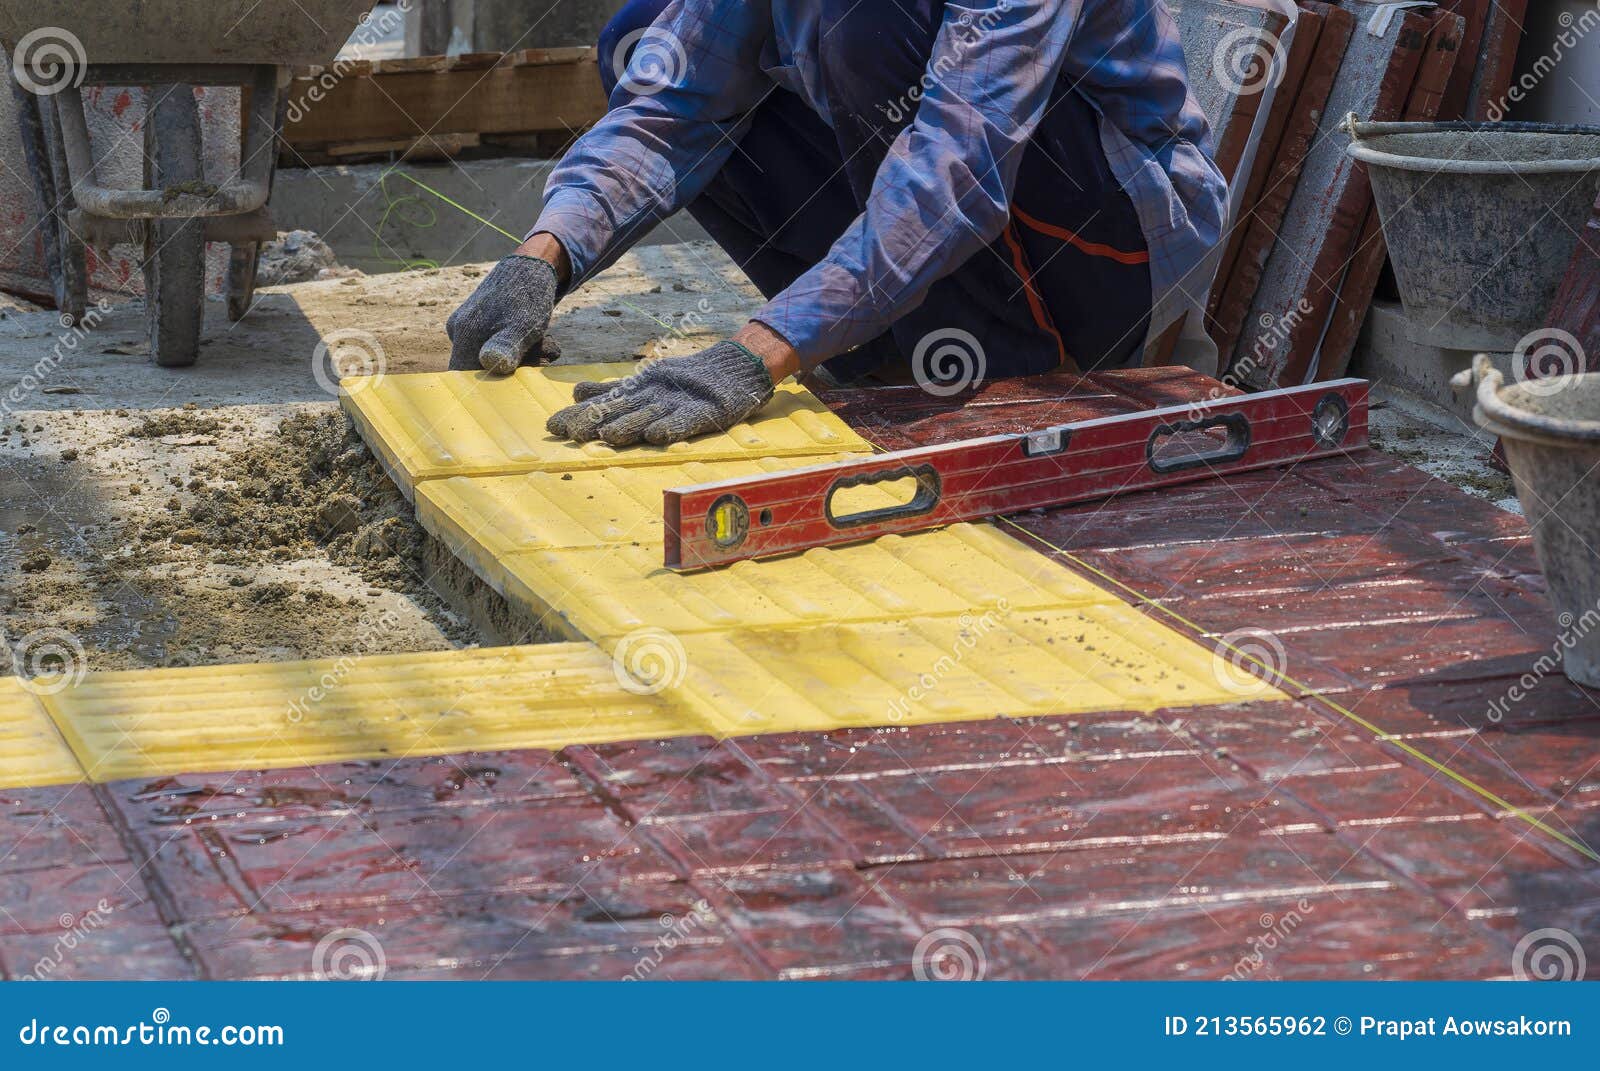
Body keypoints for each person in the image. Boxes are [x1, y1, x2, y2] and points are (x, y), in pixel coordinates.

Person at [446, 0, 1226, 447]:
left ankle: (1013, 360)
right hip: (969, 203)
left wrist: (750, 356)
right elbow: (673, 101)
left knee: (871, 22)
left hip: (1111, 256)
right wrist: (543, 257)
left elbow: (955, 171)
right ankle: (885, 351)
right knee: (639, 42)